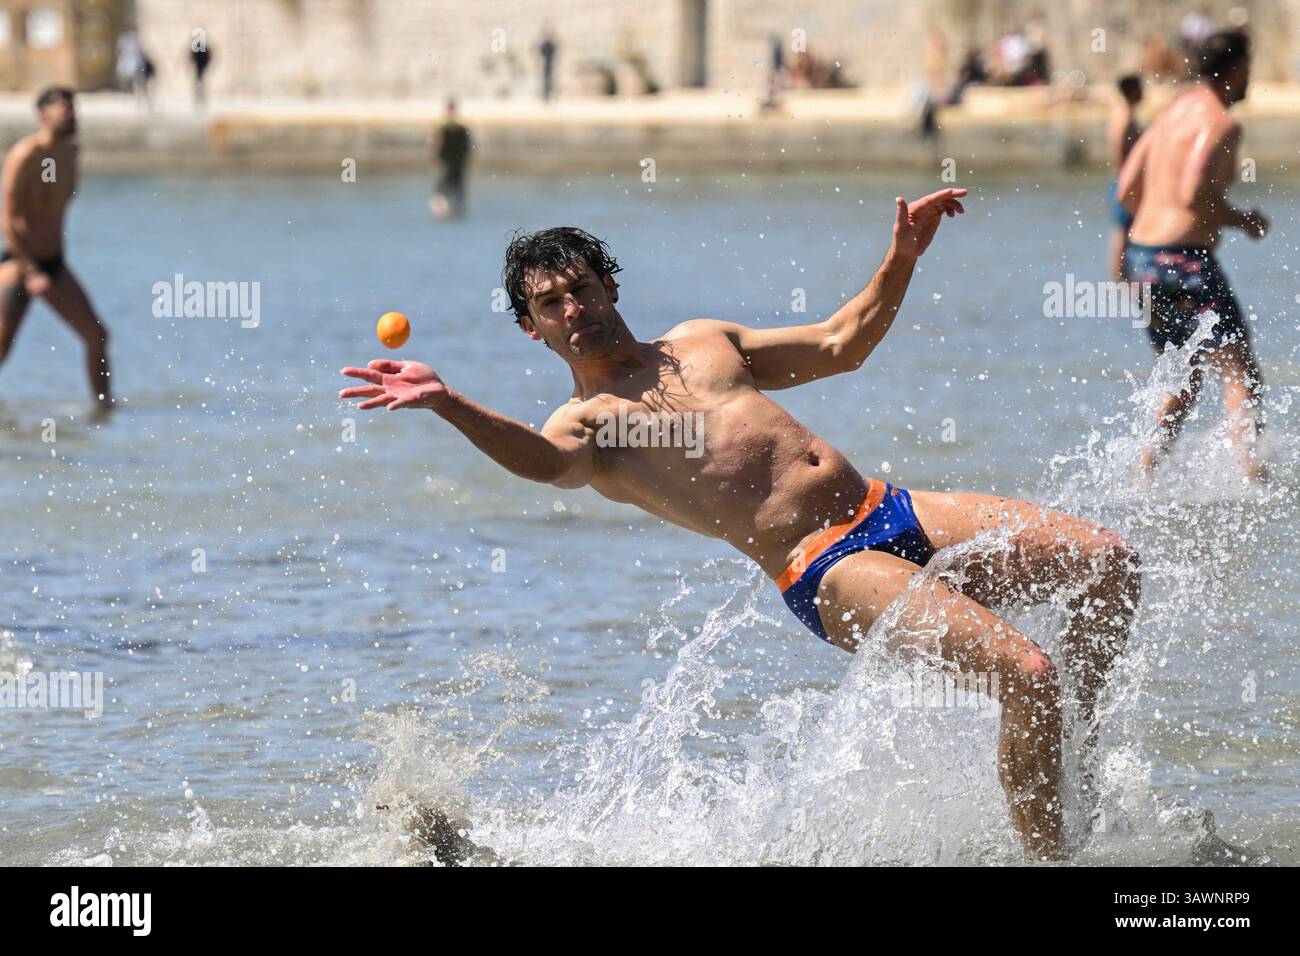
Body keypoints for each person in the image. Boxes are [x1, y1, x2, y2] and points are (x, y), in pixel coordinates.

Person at [341, 191, 1142, 860]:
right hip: (828, 568)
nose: (572, 308)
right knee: (1027, 674)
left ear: (610, 287)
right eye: (550, 304)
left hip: (891, 505)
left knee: (1109, 563)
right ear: (531, 329)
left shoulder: (702, 341)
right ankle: (1054, 856)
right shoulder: (590, 422)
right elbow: (544, 463)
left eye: (581, 287)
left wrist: (902, 254)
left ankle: (1073, 753)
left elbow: (842, 341)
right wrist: (448, 403)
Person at [1117, 31, 1267, 481]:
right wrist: (1243, 220)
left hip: (1142, 259)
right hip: (1184, 261)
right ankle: (1254, 479)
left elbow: (1126, 189)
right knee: (1240, 370)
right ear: (1236, 69)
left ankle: (1142, 478)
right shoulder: (1220, 122)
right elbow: (1194, 193)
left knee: (1182, 377)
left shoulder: (1173, 111)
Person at [0, 88, 112, 418]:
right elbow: (8, 218)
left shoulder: (69, 153)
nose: (74, 115)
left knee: (98, 336)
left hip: (55, 265)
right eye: (66, 109)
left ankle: (104, 411)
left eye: (75, 108)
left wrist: (46, 268)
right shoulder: (26, 155)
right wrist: (30, 268)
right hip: (21, 263)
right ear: (43, 115)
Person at [1107, 74, 1143, 279]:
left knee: (1127, 231)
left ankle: (1124, 276)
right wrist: (1127, 183)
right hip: (1123, 182)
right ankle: (1118, 277)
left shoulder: (1125, 115)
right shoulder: (1124, 118)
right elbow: (1120, 155)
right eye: (1140, 88)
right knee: (1122, 232)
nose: (1143, 93)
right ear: (1132, 91)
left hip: (1124, 181)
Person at [429, 98, 471, 219]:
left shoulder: (445, 126)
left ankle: (445, 208)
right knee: (455, 185)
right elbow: (468, 145)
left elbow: (436, 143)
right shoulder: (460, 127)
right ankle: (455, 208)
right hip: (454, 160)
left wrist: (434, 156)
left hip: (449, 161)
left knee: (446, 184)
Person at [191, 36, 214, 109]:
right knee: (200, 86)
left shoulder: (202, 47)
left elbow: (192, 57)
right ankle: (199, 101)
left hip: (201, 69)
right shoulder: (201, 47)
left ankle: (201, 101)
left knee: (201, 86)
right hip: (200, 69)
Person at [538, 29, 558, 101]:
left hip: (550, 64)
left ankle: (550, 95)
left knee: (550, 80)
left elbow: (554, 53)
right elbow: (541, 53)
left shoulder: (551, 44)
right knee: (544, 81)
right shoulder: (544, 44)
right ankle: (545, 96)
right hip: (545, 64)